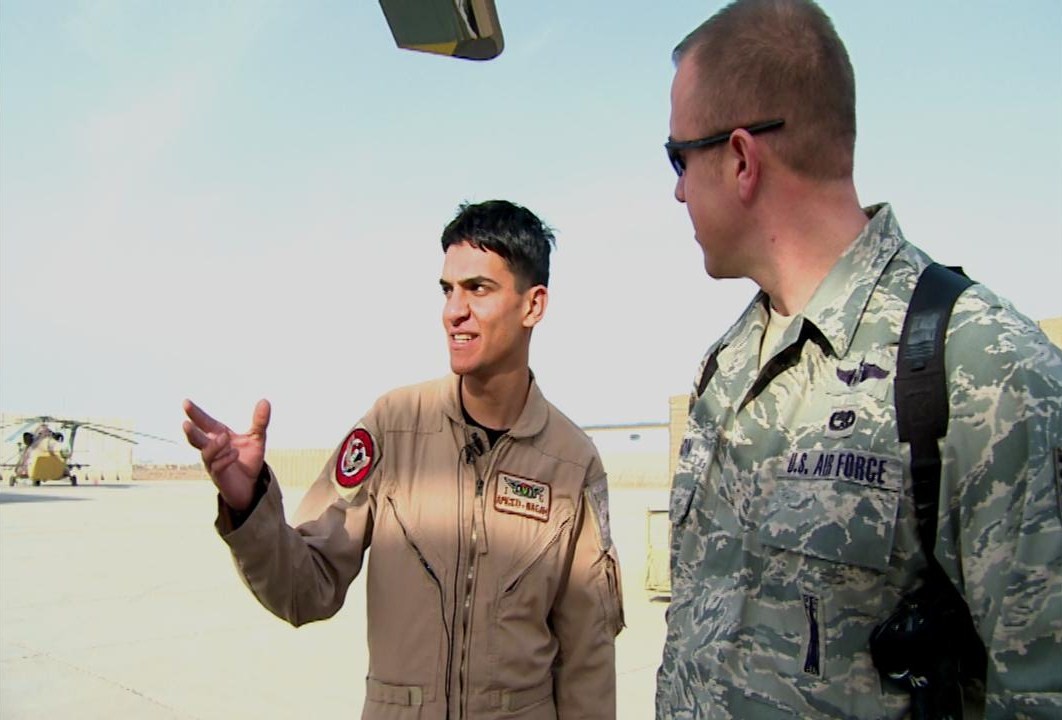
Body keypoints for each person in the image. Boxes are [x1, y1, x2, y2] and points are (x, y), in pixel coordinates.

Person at [655, 1, 1062, 718]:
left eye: (678, 158)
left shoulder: (985, 372)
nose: (677, 189)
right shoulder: (724, 371)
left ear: (742, 159)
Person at [183, 199, 624, 720]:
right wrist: (250, 505)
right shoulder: (393, 426)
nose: (452, 311)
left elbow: (587, 656)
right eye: (447, 290)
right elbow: (307, 590)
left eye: (478, 289)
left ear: (533, 306)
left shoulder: (571, 462)